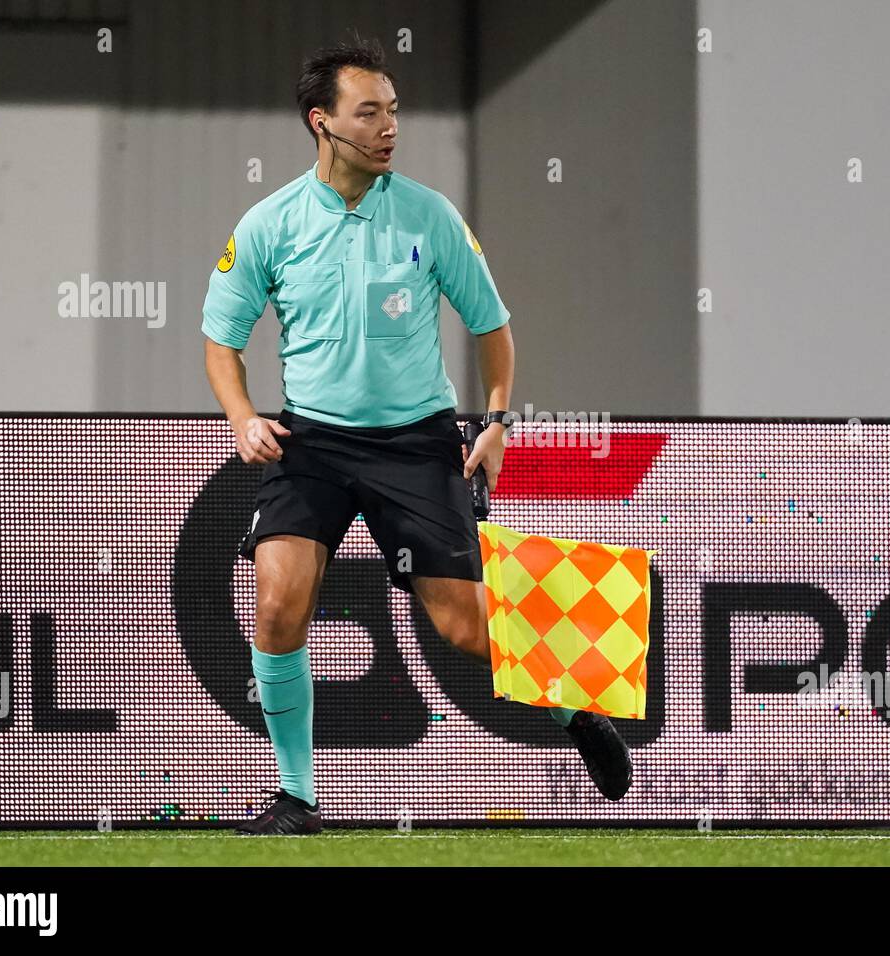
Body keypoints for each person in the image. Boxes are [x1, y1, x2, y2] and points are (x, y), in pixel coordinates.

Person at [201, 35, 632, 835]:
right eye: (369, 113)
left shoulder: (429, 216)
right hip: (314, 447)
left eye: (394, 111)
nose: (389, 127)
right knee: (276, 607)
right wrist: (243, 415)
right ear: (320, 123)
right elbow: (219, 338)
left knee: (465, 627)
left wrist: (497, 420)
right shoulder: (271, 224)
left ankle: (574, 712)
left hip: (417, 444)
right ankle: (298, 798)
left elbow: (492, 327)